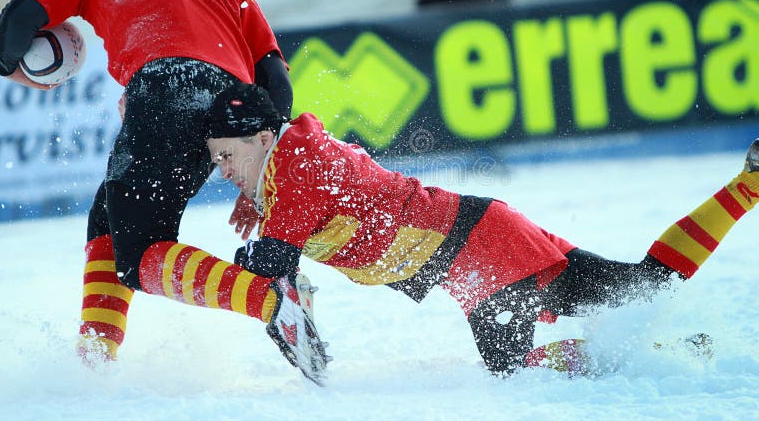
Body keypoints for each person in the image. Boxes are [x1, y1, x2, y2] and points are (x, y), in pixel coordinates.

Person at [213, 80, 759, 375]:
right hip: (480, 242)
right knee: (640, 285)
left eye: (227, 156)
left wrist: (258, 260)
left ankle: (662, 351)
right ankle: (745, 194)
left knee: (514, 368)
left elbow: (274, 264)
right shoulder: (287, 165)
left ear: (263, 139)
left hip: (482, 253)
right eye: (217, 163)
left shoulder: (298, 163)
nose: (224, 171)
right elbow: (291, 235)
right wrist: (258, 200)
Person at [0, 0, 328, 384]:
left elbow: (13, 25)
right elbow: (275, 81)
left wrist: (21, 73)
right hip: (227, 102)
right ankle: (94, 360)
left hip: (165, 85)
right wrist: (261, 178)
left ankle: (272, 300)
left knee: (138, 256)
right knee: (108, 213)